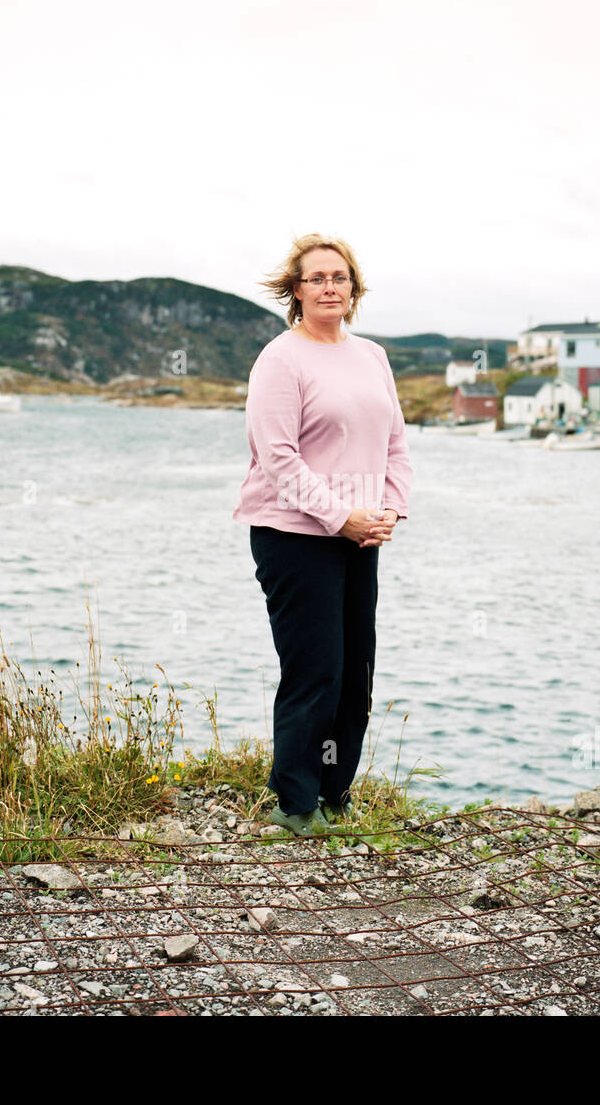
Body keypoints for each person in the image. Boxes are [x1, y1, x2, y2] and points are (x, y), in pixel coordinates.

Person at [233, 234, 413, 837]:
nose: (330, 286)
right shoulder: (281, 359)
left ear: (354, 289)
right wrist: (342, 517)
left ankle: (335, 794)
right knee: (316, 670)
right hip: (295, 535)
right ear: (297, 290)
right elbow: (278, 458)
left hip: (361, 536)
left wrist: (389, 510)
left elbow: (395, 445)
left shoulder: (373, 356)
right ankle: (295, 804)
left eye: (340, 277)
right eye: (317, 278)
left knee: (354, 670)